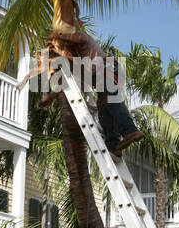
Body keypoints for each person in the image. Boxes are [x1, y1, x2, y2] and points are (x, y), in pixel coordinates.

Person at [46, 26, 142, 158]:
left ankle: (130, 130)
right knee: (104, 111)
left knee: (112, 100)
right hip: (101, 81)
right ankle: (114, 145)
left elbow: (77, 38)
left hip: (108, 68)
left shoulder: (82, 37)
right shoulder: (75, 59)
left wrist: (57, 36)